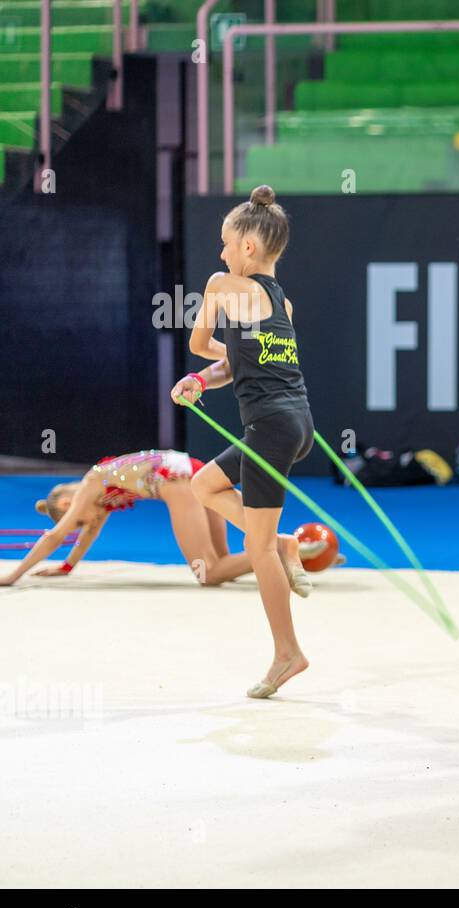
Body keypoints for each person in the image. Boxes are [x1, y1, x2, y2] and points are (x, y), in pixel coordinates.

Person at [175, 183, 317, 697]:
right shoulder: (284, 303)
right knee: (204, 486)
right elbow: (237, 365)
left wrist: (204, 359)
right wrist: (202, 381)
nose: (221, 253)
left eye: (226, 243)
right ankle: (284, 543)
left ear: (248, 248)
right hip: (295, 424)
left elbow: (196, 343)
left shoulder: (223, 285)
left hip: (272, 428)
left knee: (254, 548)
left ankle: (287, 653)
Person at [0, 447, 307, 588]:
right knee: (224, 563)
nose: (85, 522)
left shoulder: (91, 483)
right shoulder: (101, 492)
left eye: (76, 519)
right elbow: (89, 532)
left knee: (208, 574)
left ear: (67, 504)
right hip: (197, 471)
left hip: (179, 484)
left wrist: (14, 576)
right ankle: (292, 552)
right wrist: (68, 566)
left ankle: (279, 547)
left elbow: (56, 535)